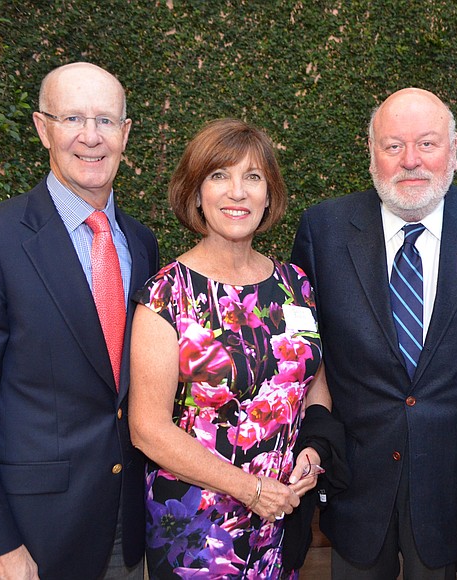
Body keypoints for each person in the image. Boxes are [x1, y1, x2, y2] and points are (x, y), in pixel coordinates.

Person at [0, 62, 159, 579]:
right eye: (72, 118)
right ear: (42, 128)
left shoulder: (141, 244)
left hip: (126, 526)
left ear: (125, 134)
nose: (90, 136)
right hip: (30, 536)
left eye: (105, 120)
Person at [290, 87, 457, 579]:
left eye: (427, 143)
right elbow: (304, 353)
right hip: (356, 481)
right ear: (372, 152)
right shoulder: (323, 229)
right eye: (393, 145)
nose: (411, 161)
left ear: (453, 150)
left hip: (454, 483)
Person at [129, 118, 329, 578]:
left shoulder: (295, 285)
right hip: (197, 534)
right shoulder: (166, 296)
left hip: (279, 522)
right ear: (197, 194)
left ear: (269, 195)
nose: (237, 192)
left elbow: (313, 382)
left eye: (252, 177)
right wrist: (249, 488)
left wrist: (313, 451)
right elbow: (147, 429)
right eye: (219, 175)